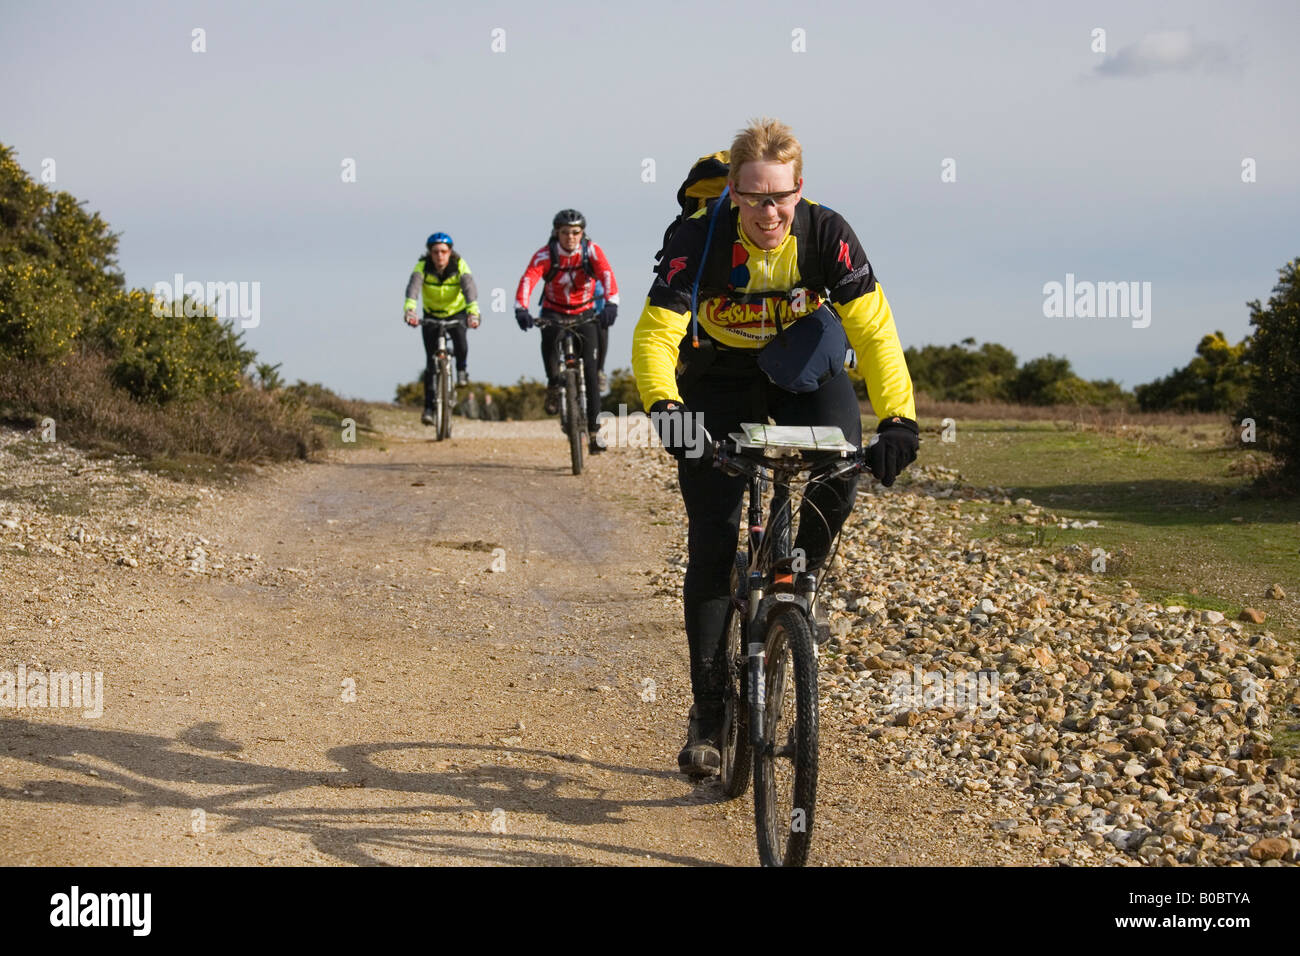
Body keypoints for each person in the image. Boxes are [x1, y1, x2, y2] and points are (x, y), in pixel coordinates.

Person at [631, 119, 919, 777]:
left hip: (801, 369)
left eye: (781, 196)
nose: (769, 212)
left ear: (799, 189)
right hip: (719, 377)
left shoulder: (826, 233)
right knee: (712, 533)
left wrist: (898, 421)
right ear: (732, 191)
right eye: (755, 197)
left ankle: (801, 585)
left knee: (840, 469)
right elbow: (654, 337)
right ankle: (708, 712)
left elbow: (874, 332)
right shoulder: (697, 238)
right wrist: (666, 409)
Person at [514, 209, 619, 453]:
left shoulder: (591, 250)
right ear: (556, 233)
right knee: (549, 345)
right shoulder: (545, 254)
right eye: (564, 233)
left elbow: (606, 275)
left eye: (575, 232)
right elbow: (528, 280)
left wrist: (612, 304)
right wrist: (521, 308)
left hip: (585, 312)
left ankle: (594, 432)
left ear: (582, 233)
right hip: (554, 311)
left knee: (591, 374)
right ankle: (553, 384)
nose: (570, 237)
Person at [404, 232, 480, 425]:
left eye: (444, 252)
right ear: (429, 253)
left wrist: (473, 313)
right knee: (431, 364)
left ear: (450, 252)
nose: (440, 256)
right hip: (431, 315)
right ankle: (429, 408)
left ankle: (462, 369)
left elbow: (470, 290)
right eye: (436, 252)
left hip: (457, 313)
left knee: (461, 342)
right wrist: (410, 310)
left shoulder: (460, 266)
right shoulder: (422, 267)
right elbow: (413, 289)